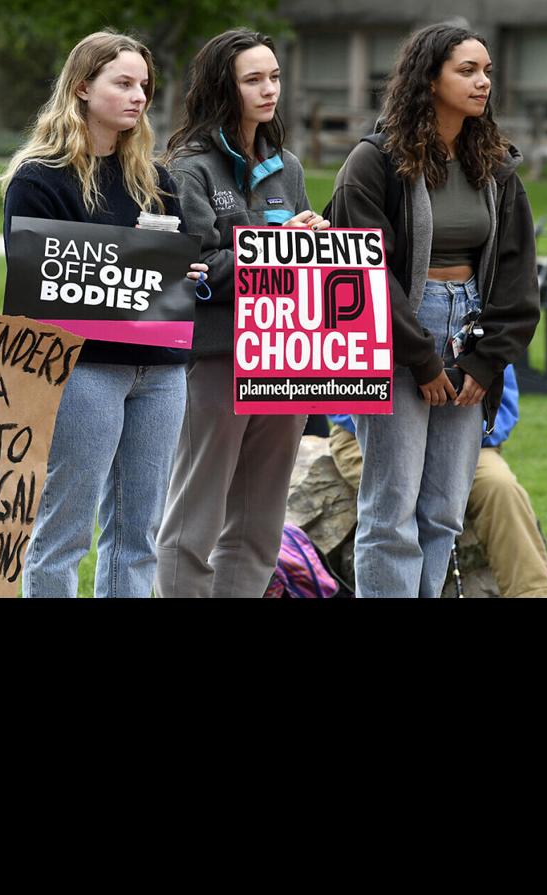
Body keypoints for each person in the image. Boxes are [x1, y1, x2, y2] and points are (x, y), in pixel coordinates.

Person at [324, 23, 540, 598]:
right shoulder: (374, 162)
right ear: (429, 78)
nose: (483, 82)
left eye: (487, 70)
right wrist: (420, 358)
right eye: (467, 70)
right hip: (396, 333)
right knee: (390, 507)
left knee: (442, 509)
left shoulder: (494, 166)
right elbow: (359, 271)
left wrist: (484, 363)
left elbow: (518, 277)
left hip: (467, 333)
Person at [0, 30, 207, 597]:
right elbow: (31, 282)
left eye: (144, 84)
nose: (138, 95)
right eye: (123, 83)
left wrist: (183, 271)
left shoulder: (153, 178)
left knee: (140, 533)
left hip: (161, 370)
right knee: (64, 532)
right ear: (83, 87)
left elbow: (177, 271)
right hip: (84, 369)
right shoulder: (38, 178)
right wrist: (132, 259)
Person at [153, 29, 327, 598]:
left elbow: (305, 268)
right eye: (253, 79)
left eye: (274, 76)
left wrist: (315, 241)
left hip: (286, 356)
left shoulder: (288, 168)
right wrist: (277, 246)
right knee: (194, 520)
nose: (269, 89)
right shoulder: (189, 168)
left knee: (260, 523)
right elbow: (195, 264)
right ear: (223, 88)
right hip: (218, 357)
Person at [329, 366, 547, 597]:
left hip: (464, 438)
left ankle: (537, 593)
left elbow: (504, 407)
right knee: (399, 502)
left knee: (501, 486)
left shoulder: (480, 333)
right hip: (368, 437)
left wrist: (464, 430)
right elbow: (340, 394)